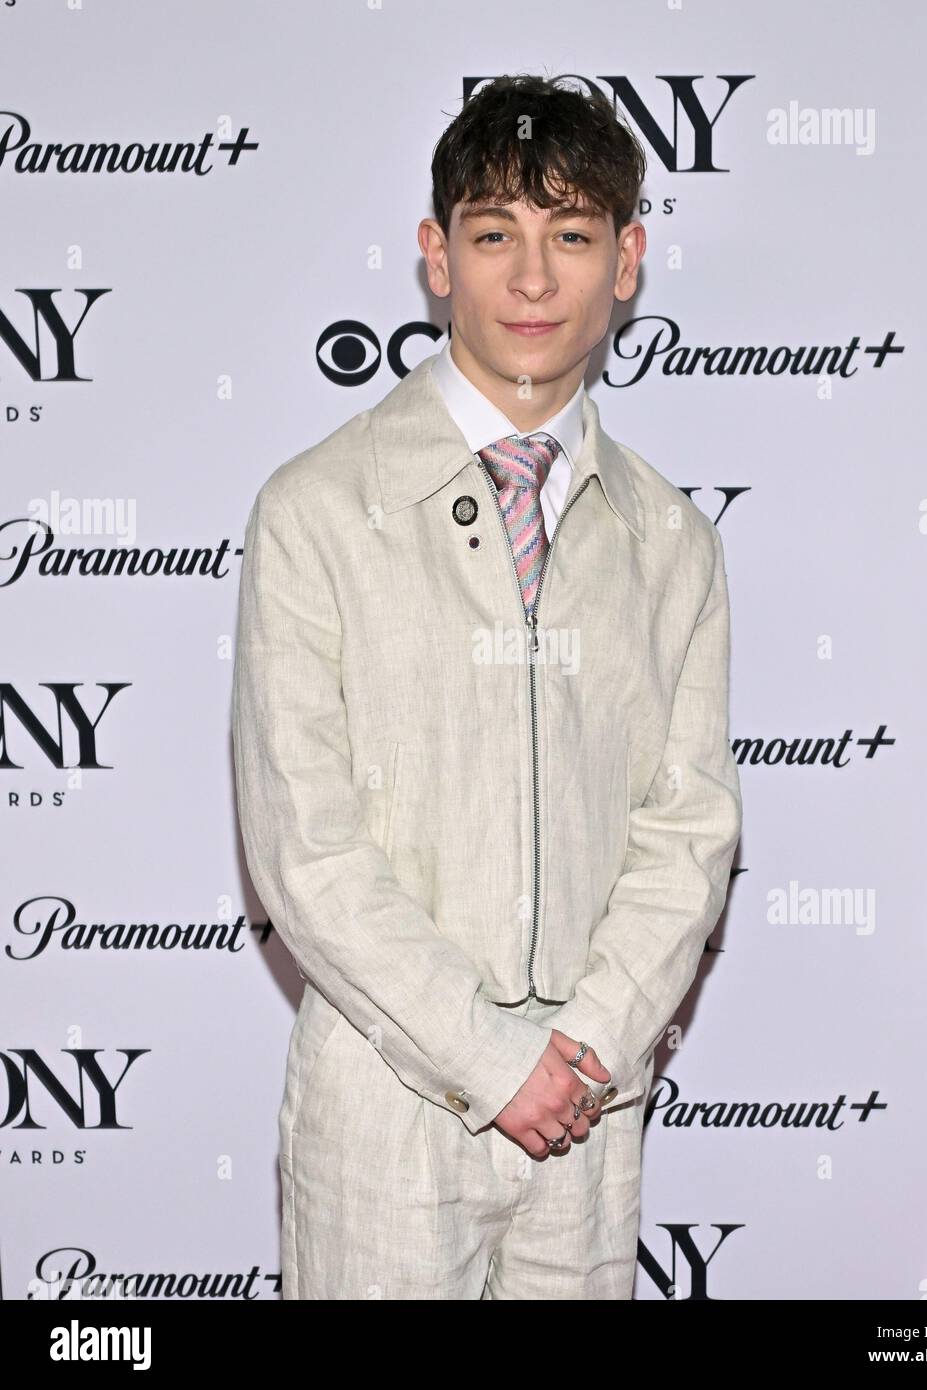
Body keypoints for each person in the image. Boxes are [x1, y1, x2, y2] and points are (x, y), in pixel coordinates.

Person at [231, 73, 742, 1300]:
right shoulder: (314, 510)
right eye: (494, 233)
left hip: (587, 1101)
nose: (530, 278)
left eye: (569, 236)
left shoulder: (672, 539)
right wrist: (491, 1059)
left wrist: (586, 1048)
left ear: (626, 260)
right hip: (385, 1097)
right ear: (435, 254)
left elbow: (689, 831)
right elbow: (304, 843)